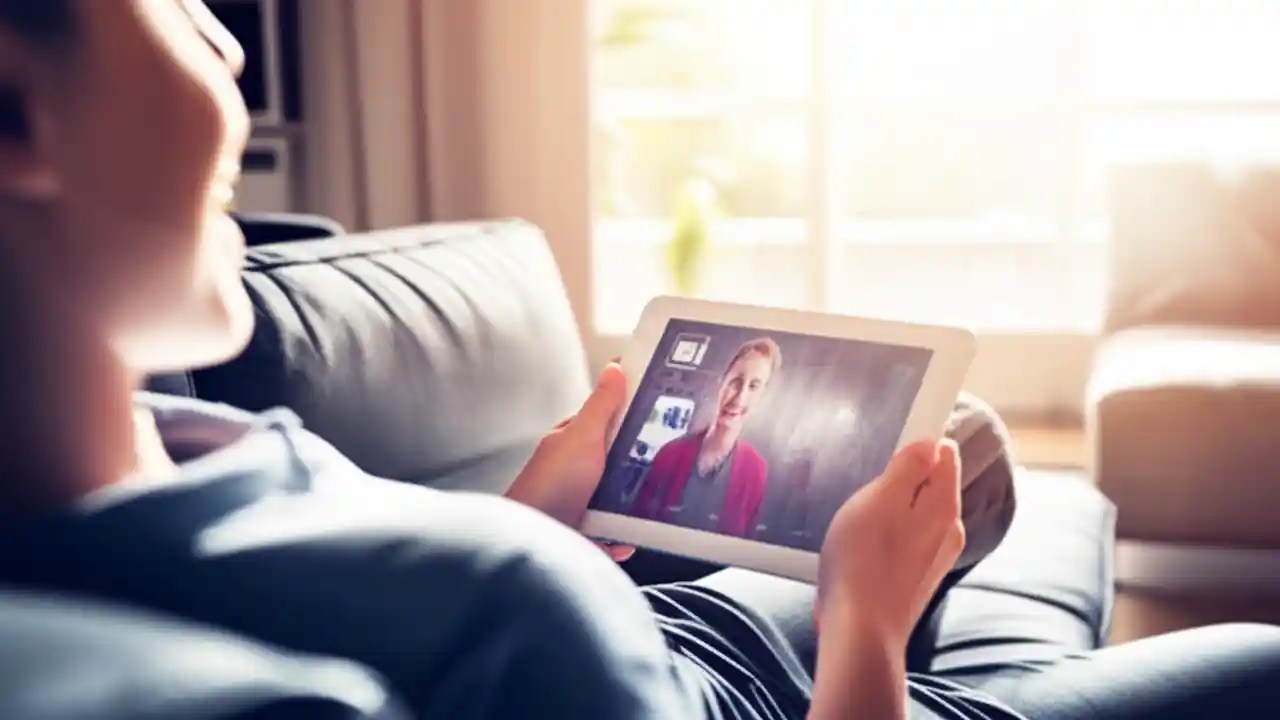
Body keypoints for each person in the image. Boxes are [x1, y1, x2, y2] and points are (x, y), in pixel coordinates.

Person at [0, 3, 1276, 719]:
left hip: (688, 629)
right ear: (15, 109)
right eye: (167, 2)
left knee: (963, 443)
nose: (227, 43)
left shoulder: (187, 447)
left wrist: (526, 516)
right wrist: (865, 634)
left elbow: (368, 598)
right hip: (810, 694)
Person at [632, 337, 779, 538]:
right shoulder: (669, 454)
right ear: (721, 382)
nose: (739, 398)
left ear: (762, 396)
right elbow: (636, 527)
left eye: (753, 386)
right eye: (735, 381)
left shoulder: (756, 470)